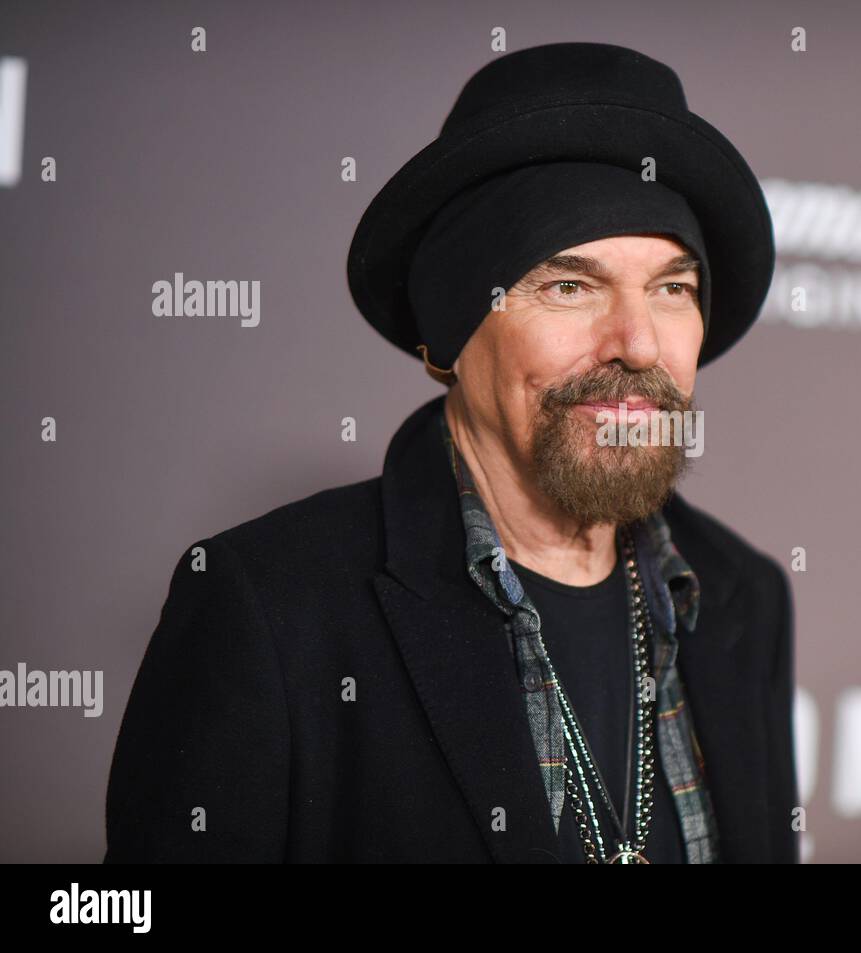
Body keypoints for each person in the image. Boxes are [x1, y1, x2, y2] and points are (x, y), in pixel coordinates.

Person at [105, 41, 796, 863]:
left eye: (672, 288)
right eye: (570, 285)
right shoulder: (267, 608)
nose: (638, 343)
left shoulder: (740, 598)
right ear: (453, 334)